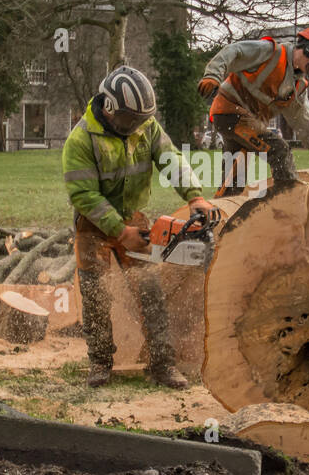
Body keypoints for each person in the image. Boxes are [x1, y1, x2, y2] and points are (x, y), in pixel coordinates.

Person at [62, 66, 214, 389]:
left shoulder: (146, 127)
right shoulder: (81, 140)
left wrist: (194, 196)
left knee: (151, 290)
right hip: (93, 223)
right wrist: (119, 232)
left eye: (141, 119)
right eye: (130, 119)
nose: (136, 125)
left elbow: (171, 159)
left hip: (133, 216)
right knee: (95, 294)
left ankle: (162, 364)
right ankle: (100, 362)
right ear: (110, 108)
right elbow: (83, 195)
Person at [197, 25, 309, 195]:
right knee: (279, 150)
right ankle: (287, 197)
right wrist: (213, 75)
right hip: (230, 112)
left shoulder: (297, 86)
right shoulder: (271, 52)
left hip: (242, 121)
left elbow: (305, 121)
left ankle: (224, 207)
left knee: (234, 180)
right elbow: (234, 50)